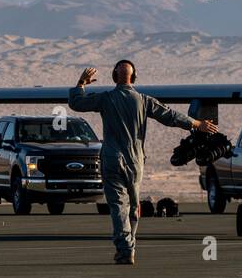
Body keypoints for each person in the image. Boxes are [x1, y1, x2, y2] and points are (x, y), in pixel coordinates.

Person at [68, 59, 218, 265]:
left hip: (112, 159)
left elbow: (77, 103)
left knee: (118, 205)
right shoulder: (144, 100)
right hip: (135, 161)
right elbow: (171, 116)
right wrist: (196, 124)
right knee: (133, 204)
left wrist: (81, 84)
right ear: (134, 77)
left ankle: (125, 248)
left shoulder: (105, 99)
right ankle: (130, 245)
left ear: (114, 77)